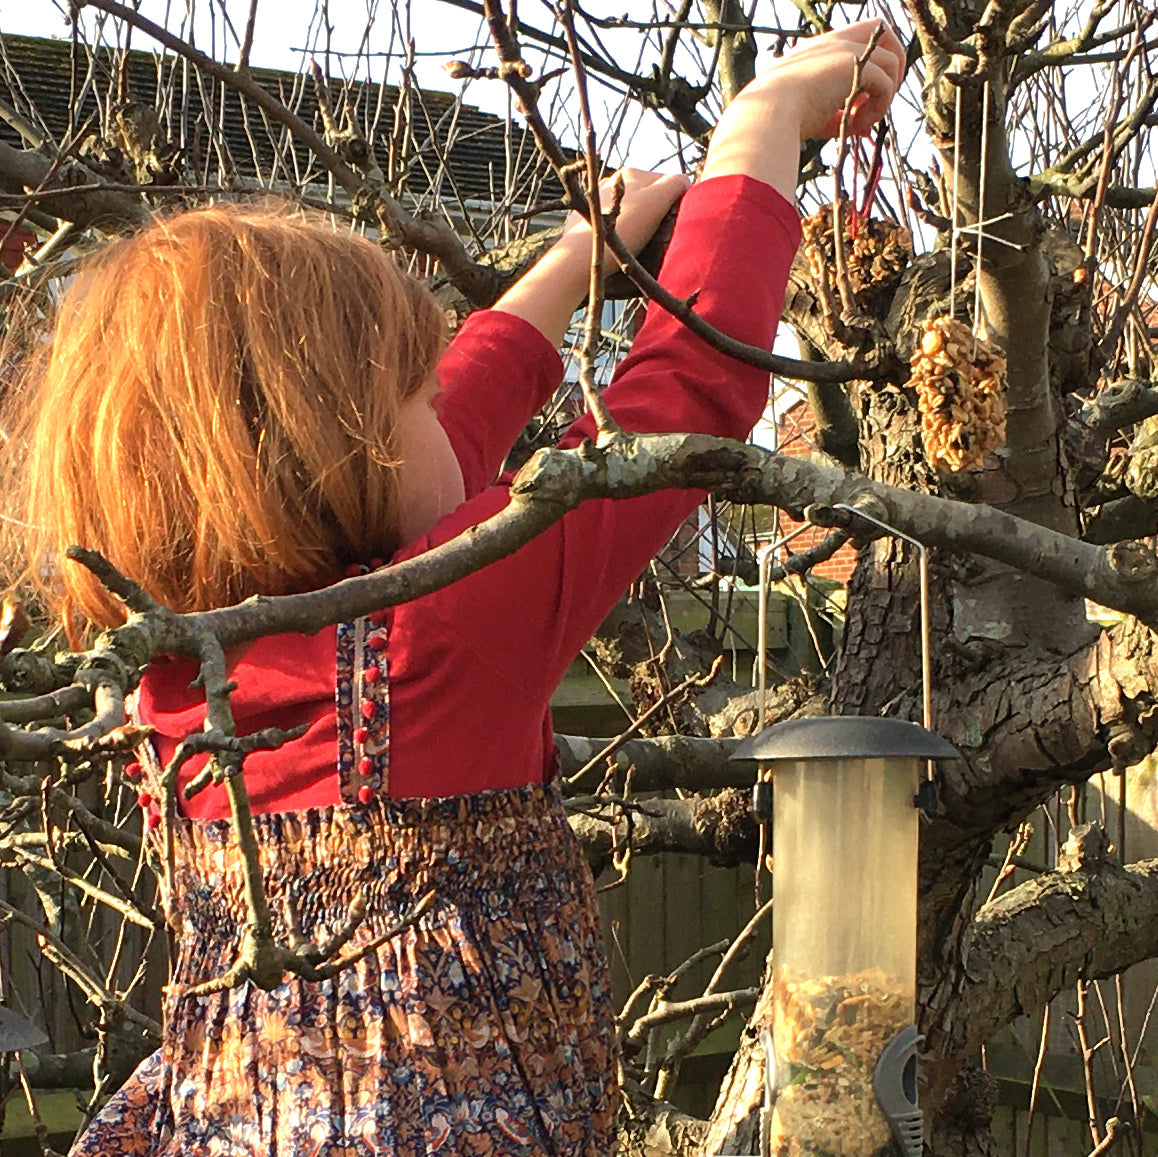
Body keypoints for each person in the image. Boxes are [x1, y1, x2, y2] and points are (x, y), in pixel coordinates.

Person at [1, 21, 903, 1157]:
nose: (448, 409)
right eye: (413, 392)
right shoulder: (432, 636)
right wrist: (760, 126)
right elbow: (689, 393)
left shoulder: (177, 671)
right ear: (340, 454)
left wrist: (587, 251)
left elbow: (459, 421)